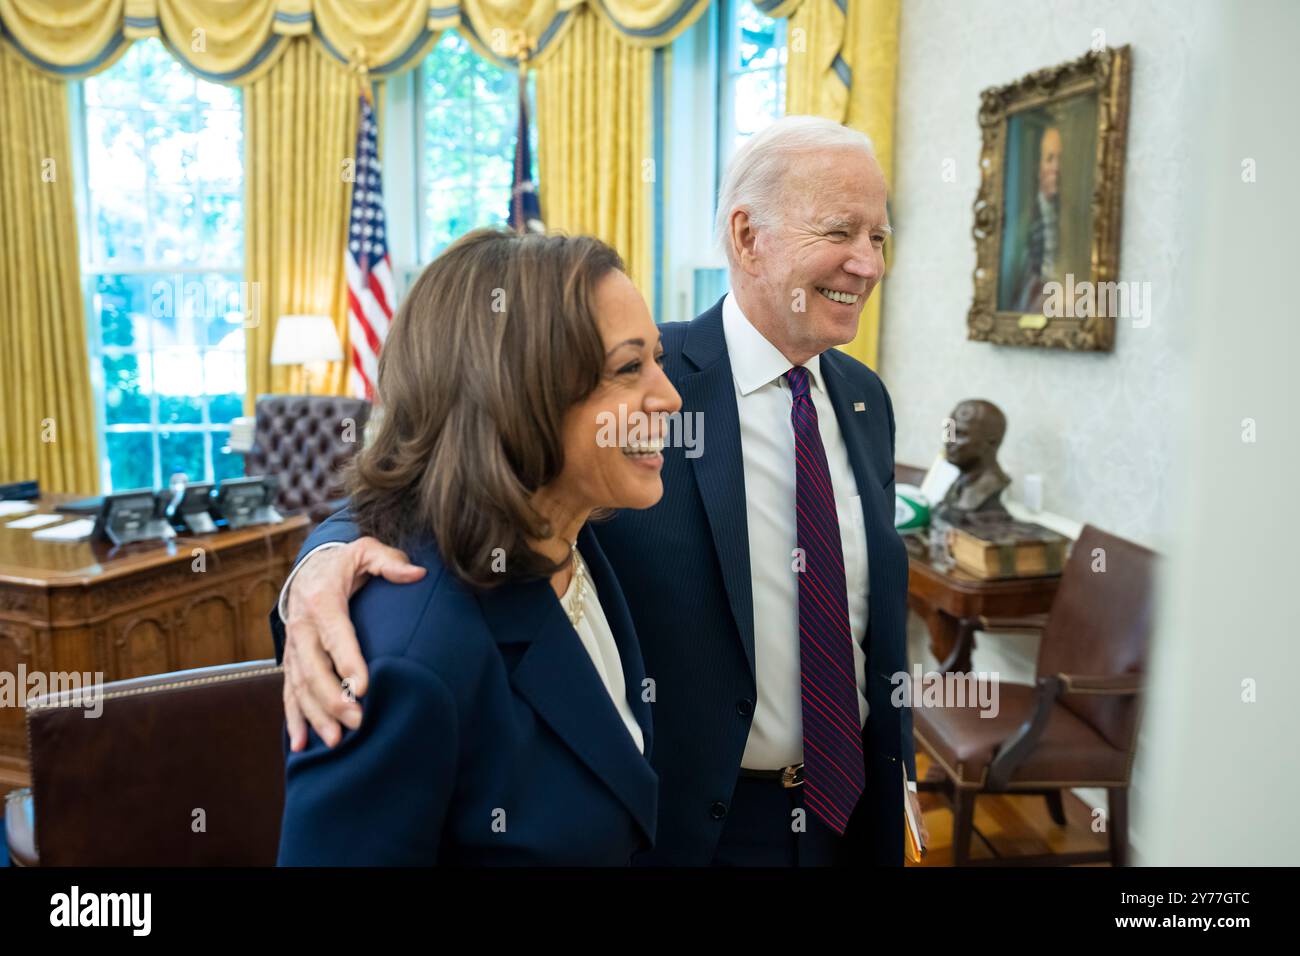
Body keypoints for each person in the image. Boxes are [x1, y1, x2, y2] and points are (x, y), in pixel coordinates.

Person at [275, 115, 926, 866]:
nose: (869, 263)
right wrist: (321, 565)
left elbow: (865, 622)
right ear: (748, 238)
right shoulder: (637, 391)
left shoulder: (864, 400)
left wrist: (899, 777)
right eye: (842, 231)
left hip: (851, 816)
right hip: (694, 829)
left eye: (879, 237)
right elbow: (448, 471)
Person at [276, 229, 681, 865]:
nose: (671, 396)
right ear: (519, 391)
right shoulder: (406, 666)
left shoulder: (580, 526)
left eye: (656, 359)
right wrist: (317, 563)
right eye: (630, 368)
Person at [1011, 125, 1063, 313]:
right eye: (1050, 159)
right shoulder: (1024, 224)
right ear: (1038, 167)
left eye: (1061, 159)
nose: (1056, 168)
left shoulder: (1071, 219)